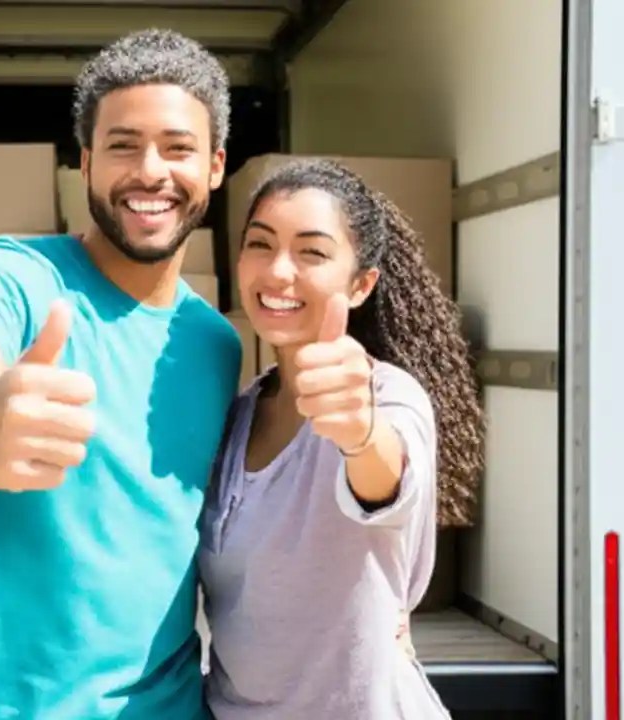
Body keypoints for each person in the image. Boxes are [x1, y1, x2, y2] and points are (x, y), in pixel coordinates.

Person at [0, 29, 243, 719]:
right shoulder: (11, 276)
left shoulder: (217, 344)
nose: (150, 170)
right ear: (84, 163)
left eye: (177, 147)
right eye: (121, 145)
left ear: (216, 165)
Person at [198, 158, 485, 719]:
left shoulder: (384, 395)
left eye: (312, 252)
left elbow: (385, 476)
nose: (279, 271)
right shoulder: (238, 417)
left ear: (361, 285)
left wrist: (359, 433)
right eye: (261, 244)